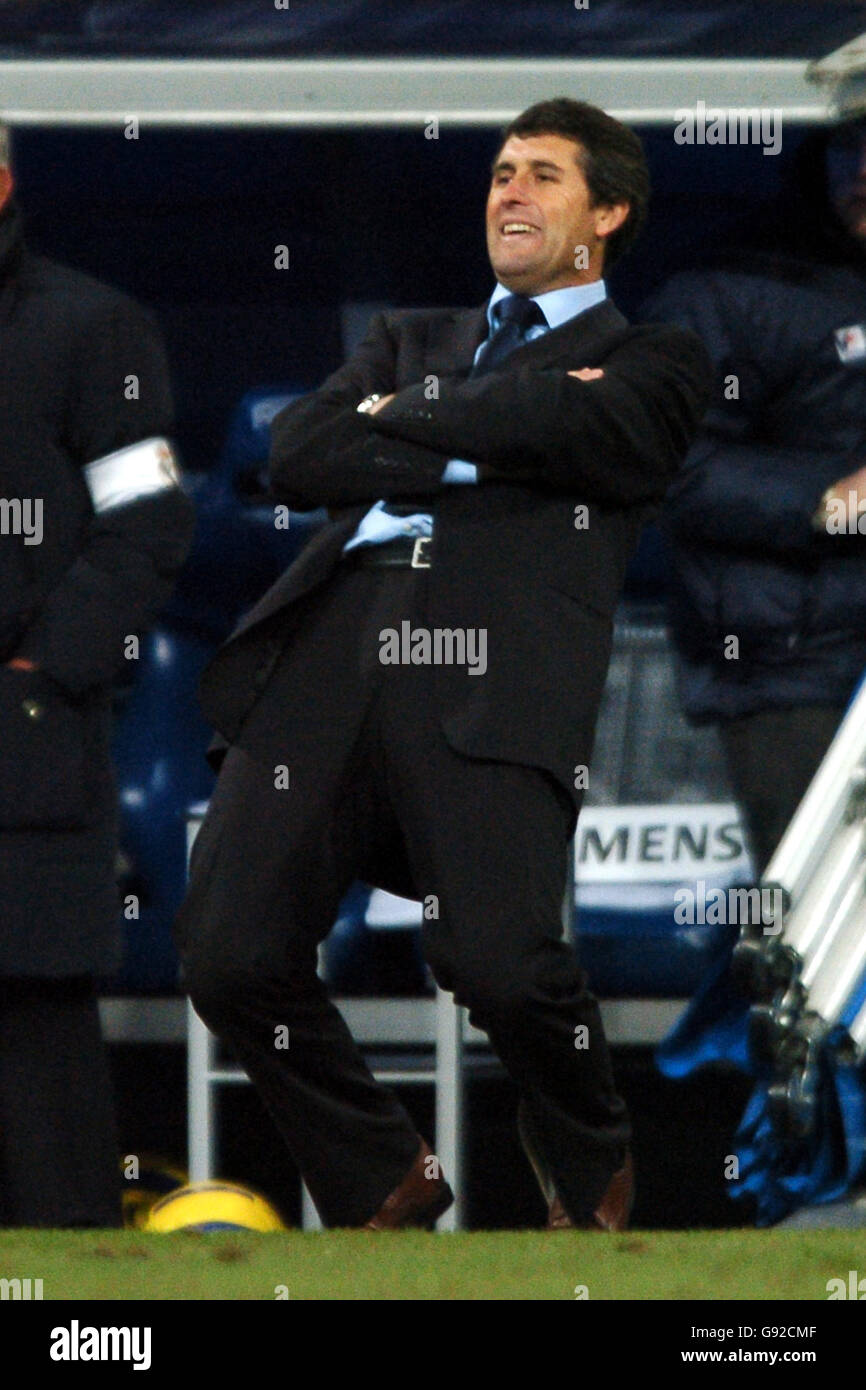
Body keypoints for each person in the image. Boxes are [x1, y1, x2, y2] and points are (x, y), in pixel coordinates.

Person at [175, 97, 711, 1230]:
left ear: (607, 212)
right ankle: (379, 1175)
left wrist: (406, 425)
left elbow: (592, 438)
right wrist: (490, 432)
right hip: (325, 649)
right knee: (226, 953)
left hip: (492, 665)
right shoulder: (410, 332)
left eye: (542, 177)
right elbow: (298, 453)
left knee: (506, 968)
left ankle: (587, 1157)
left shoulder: (651, 358)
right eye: (499, 172)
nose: (507, 192)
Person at [0, 124, 195, 1226]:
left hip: (24, 737)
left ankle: (76, 1320)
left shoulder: (89, 325)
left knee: (36, 1046)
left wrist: (45, 663)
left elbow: (147, 524)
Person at [642, 112, 866, 877]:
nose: (865, 171)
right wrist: (828, 499)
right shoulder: (728, 288)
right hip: (790, 670)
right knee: (817, 914)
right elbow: (664, 462)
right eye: (850, 150)